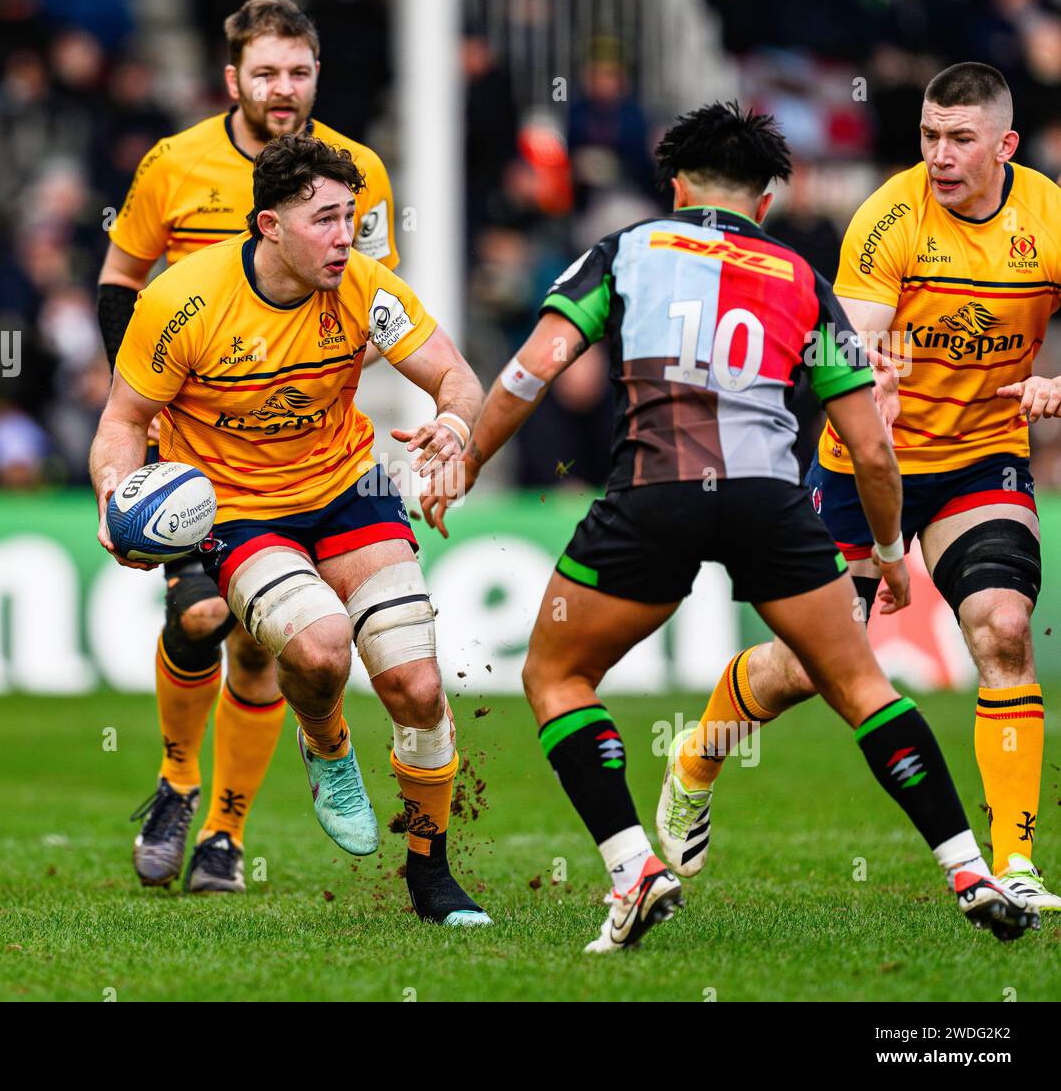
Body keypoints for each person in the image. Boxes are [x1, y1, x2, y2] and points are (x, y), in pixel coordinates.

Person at [438, 101, 1038, 951]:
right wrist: (886, 551)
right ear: (765, 203)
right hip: (770, 502)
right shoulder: (801, 277)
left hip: (655, 494)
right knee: (863, 687)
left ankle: (633, 870)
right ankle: (970, 867)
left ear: (675, 187)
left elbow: (534, 371)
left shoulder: (628, 249)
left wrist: (466, 454)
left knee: (557, 674)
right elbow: (870, 449)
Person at [665, 64, 1061, 913]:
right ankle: (698, 753)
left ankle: (1017, 862)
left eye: (960, 139)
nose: (940, 156)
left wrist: (1054, 385)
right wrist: (871, 375)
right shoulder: (889, 217)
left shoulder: (1051, 217)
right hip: (863, 464)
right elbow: (851, 343)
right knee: (809, 668)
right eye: (928, 136)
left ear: (1006, 146)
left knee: (1004, 628)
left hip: (979, 457)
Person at [91, 134, 490, 926]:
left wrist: (452, 423)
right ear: (269, 226)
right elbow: (122, 419)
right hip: (236, 505)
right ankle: (328, 743)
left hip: (350, 483)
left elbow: (455, 373)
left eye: (351, 218)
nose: (347, 237)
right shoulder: (182, 301)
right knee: (318, 648)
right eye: (326, 221)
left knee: (414, 685)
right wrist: (112, 493)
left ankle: (431, 875)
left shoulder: (364, 286)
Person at [96, 0, 398, 894]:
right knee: (201, 616)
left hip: (301, 451)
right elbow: (121, 279)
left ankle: (225, 835)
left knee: (263, 646)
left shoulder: (358, 172)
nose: (283, 89)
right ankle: (179, 780)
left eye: (298, 72)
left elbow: (377, 299)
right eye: (265, 72)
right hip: (189, 440)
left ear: (316, 76)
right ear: (233, 78)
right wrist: (140, 404)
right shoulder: (173, 164)